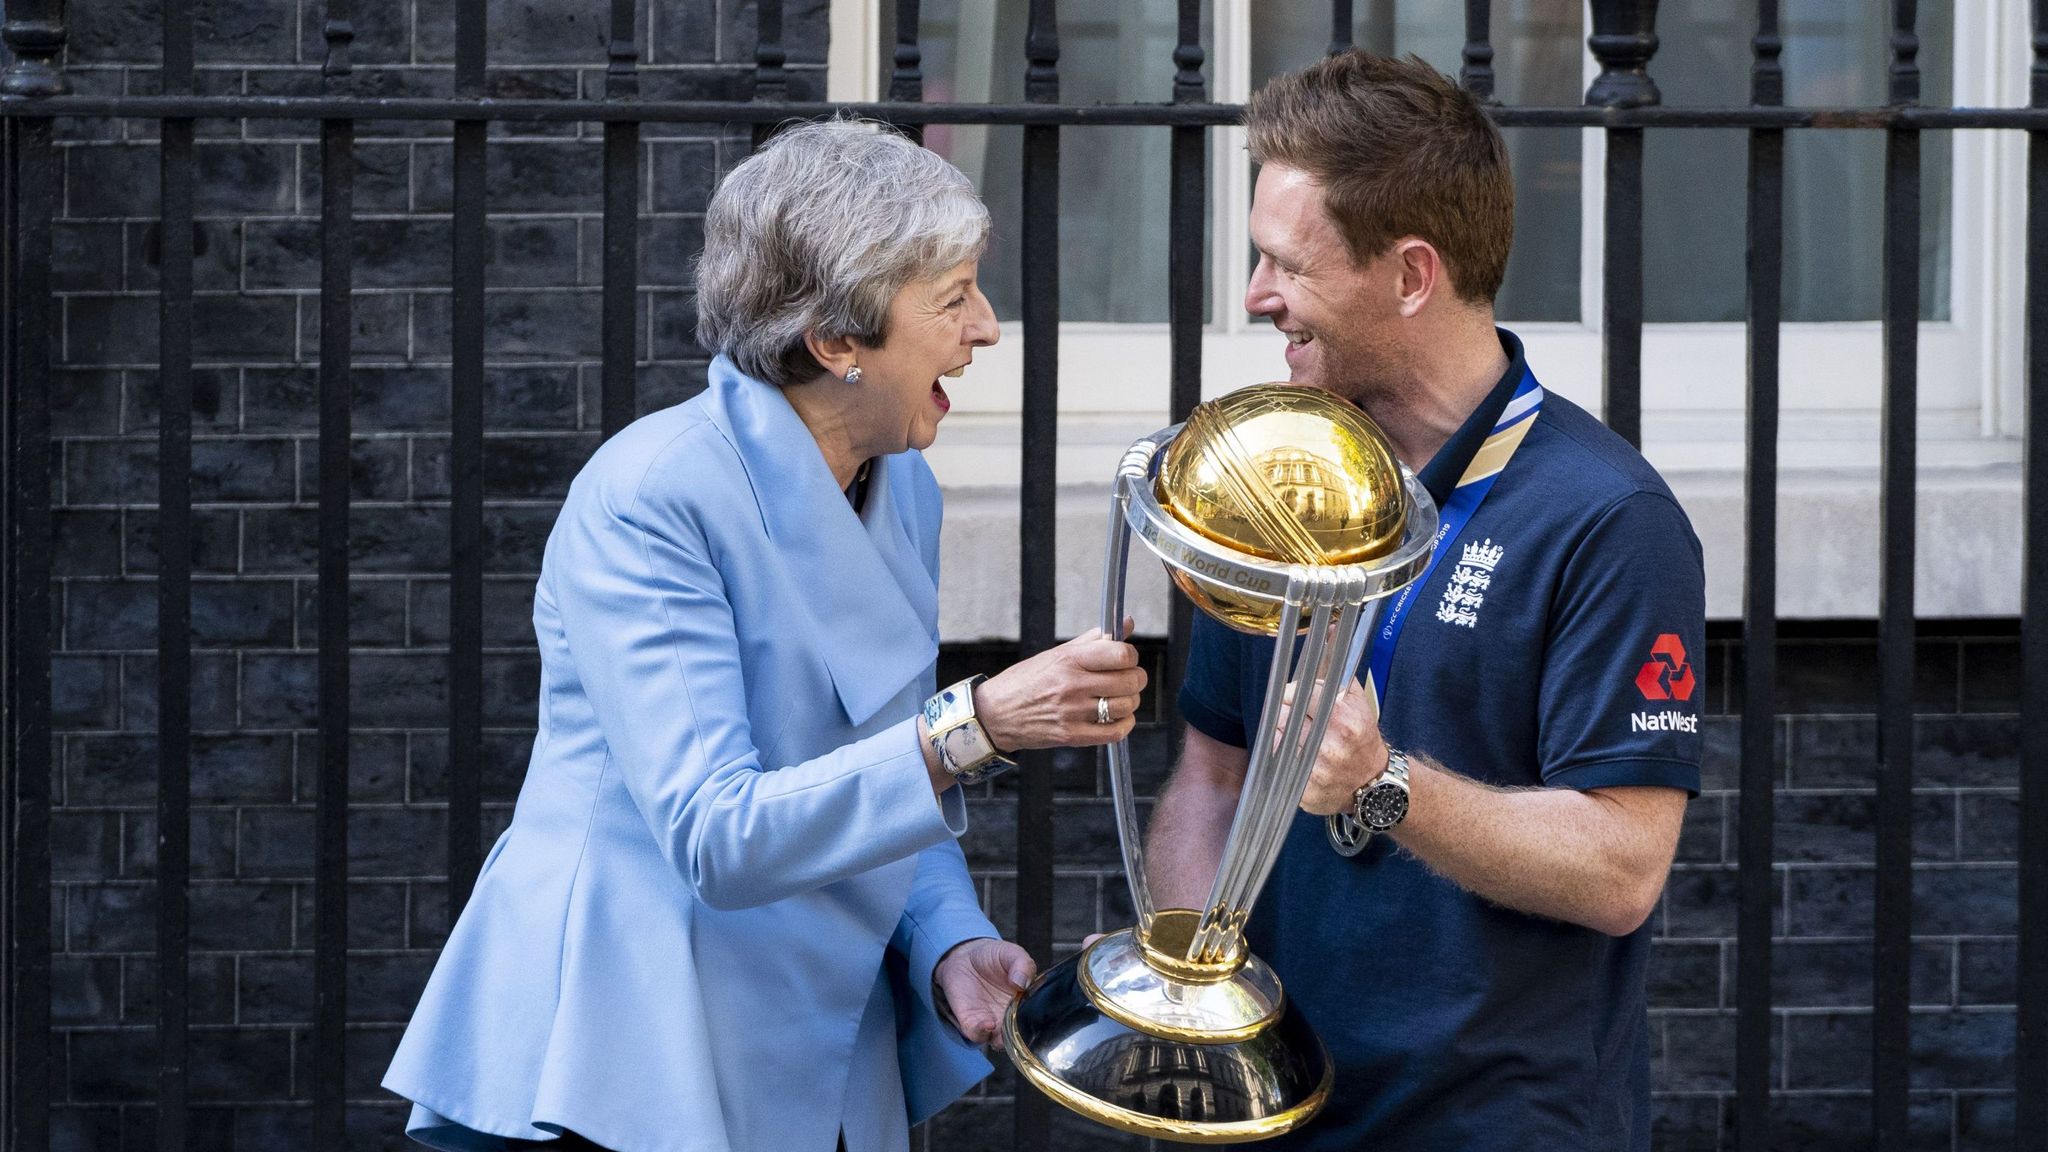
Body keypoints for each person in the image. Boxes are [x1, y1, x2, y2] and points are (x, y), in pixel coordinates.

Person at [383, 119, 1147, 1152]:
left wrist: (946, 938)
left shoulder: (901, 485)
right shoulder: (652, 495)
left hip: (817, 1035)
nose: (985, 327)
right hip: (630, 1043)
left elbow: (872, 756)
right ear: (835, 340)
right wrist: (978, 726)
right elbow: (716, 832)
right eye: (952, 296)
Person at [1143, 53, 1703, 1150]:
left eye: (1285, 263)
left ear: (1410, 275)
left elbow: (1621, 867)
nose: (1256, 296)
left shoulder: (1608, 517)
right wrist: (1196, 998)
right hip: (1272, 1112)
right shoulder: (1270, 482)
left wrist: (1384, 783)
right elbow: (1212, 778)